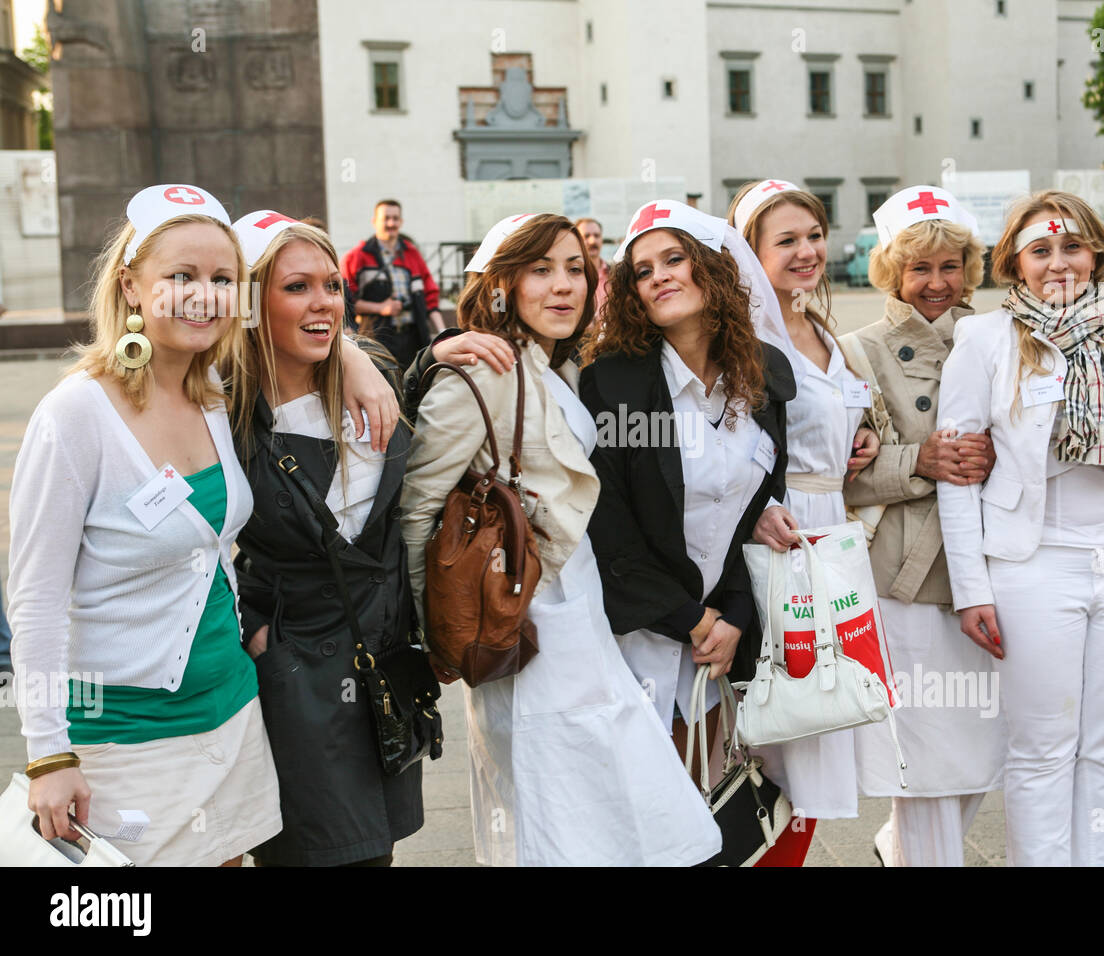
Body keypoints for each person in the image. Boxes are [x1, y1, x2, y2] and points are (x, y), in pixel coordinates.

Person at [401, 213, 721, 866]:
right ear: (500, 285)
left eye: (575, 268)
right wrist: (437, 637)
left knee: (605, 808)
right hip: (523, 622)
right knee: (556, 817)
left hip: (579, 614)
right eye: (540, 269)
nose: (564, 284)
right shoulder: (487, 368)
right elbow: (416, 512)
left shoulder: (557, 364)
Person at [6, 184, 283, 865]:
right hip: (121, 738)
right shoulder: (76, 414)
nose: (205, 294)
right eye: (180, 276)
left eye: (223, 279)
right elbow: (35, 600)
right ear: (132, 286)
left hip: (231, 715)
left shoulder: (214, 394)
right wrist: (46, 755)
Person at [936, 190, 1104, 867]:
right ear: (1016, 261)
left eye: (1072, 247)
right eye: (1041, 250)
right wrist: (970, 587)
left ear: (1096, 252)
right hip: (1031, 565)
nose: (1058, 262)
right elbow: (959, 471)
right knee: (1041, 749)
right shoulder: (983, 339)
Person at [226, 210, 424, 866]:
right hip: (300, 675)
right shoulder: (223, 409)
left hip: (382, 670)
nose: (322, 303)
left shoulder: (375, 376)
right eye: (296, 287)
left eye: (332, 286)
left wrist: (351, 350)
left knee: (376, 850)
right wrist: (252, 627)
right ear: (252, 304)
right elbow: (189, 542)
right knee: (315, 854)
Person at [579, 200, 794, 776]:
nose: (660, 277)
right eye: (643, 271)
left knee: (697, 806)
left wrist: (736, 618)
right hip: (635, 634)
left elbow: (759, 506)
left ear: (713, 268)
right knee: (637, 808)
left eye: (674, 259)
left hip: (718, 641)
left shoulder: (765, 373)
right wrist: (694, 621)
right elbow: (610, 531)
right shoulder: (612, 385)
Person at [839, 184, 1006, 867]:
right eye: (919, 268)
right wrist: (921, 460)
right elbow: (837, 475)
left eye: (949, 266)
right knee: (928, 757)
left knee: (987, 745)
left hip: (992, 569)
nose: (936, 283)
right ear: (891, 272)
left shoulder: (1001, 337)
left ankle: (897, 848)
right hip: (904, 579)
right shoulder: (857, 351)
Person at [726, 180, 881, 866]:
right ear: (749, 252)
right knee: (780, 741)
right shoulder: (743, 341)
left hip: (833, 541)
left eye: (813, 235)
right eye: (785, 240)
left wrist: (865, 432)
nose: (807, 250)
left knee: (821, 730)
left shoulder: (824, 331)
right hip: (780, 542)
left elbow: (835, 419)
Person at [341, 198, 441, 370]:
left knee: (414, 388)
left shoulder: (412, 254)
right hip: (377, 339)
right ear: (374, 221)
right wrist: (380, 308)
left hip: (414, 338)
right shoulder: (357, 257)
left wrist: (442, 333)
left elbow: (430, 297)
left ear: (401, 222)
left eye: (395, 218)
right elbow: (345, 301)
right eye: (386, 218)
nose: (391, 223)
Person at [574, 216, 610, 313]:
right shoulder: (571, 276)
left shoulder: (615, 274)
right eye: (586, 236)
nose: (593, 241)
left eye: (596, 235)